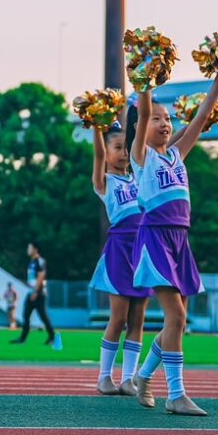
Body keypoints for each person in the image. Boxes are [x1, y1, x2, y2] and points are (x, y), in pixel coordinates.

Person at [129, 74, 218, 417]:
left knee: (177, 322)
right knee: (177, 316)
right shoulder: (142, 157)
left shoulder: (176, 156)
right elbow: (140, 114)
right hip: (155, 236)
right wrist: (145, 77)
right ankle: (177, 394)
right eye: (158, 118)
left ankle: (142, 377)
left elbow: (199, 119)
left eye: (168, 119)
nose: (165, 124)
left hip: (180, 240)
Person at [90, 121, 151, 396]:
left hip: (142, 250)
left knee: (138, 319)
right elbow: (98, 155)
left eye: (126, 147)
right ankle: (104, 377)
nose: (124, 153)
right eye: (117, 147)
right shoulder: (104, 181)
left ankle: (128, 378)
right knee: (118, 317)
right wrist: (95, 126)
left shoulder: (139, 178)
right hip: (119, 250)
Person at [11, 242, 54, 346]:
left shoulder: (40, 261)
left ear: (35, 249)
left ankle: (52, 337)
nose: (28, 249)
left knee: (43, 316)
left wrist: (35, 291)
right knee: (26, 315)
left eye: (29, 248)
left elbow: (41, 276)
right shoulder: (32, 262)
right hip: (32, 292)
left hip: (38, 293)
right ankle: (22, 339)